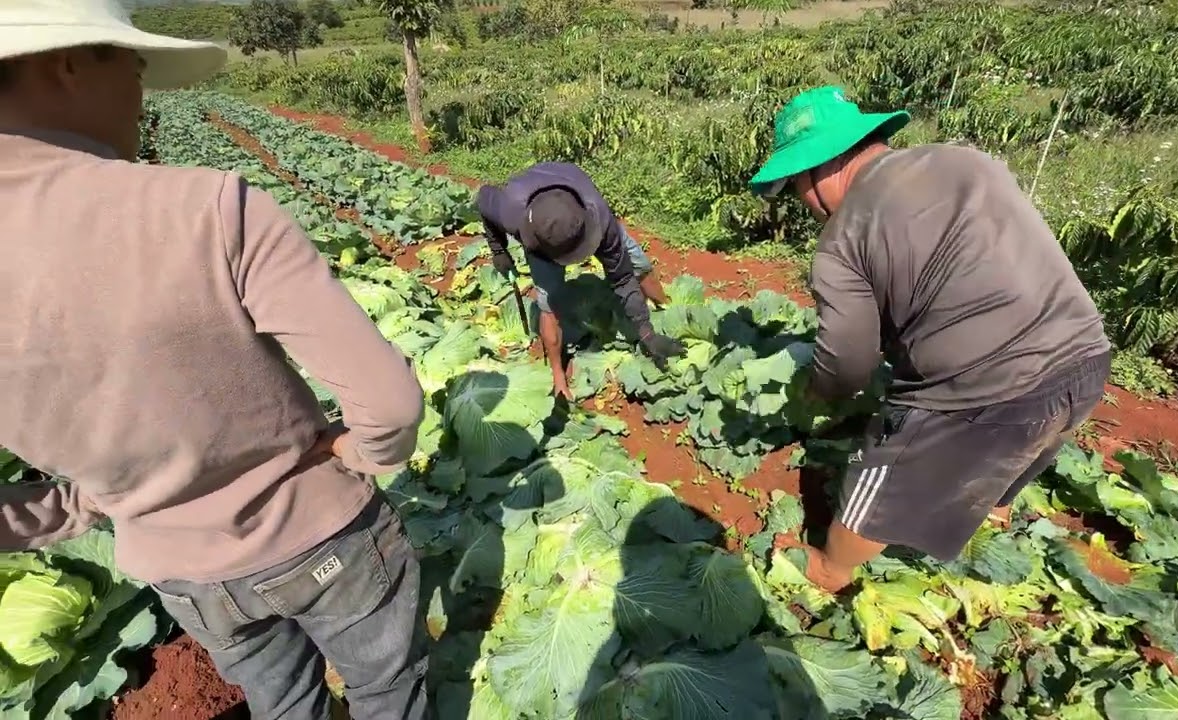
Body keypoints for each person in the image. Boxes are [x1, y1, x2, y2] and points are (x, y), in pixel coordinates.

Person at [0, 3, 430, 718]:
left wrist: (82, 508)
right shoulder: (205, 206)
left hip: (183, 577)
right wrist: (360, 453)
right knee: (388, 693)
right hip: (322, 537)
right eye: (133, 68)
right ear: (67, 63)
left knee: (286, 707)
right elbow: (390, 403)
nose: (142, 97)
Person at [750, 86, 1112, 594]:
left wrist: (821, 394)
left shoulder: (843, 236)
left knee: (878, 475)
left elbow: (849, 362)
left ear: (817, 169)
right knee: (1028, 436)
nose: (800, 203)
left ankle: (831, 570)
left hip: (986, 391)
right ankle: (993, 509)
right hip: (1086, 358)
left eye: (793, 188)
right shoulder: (964, 160)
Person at [477, 162, 686, 399]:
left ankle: (668, 307)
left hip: (577, 199)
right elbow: (483, 198)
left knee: (638, 263)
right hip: (540, 234)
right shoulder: (510, 211)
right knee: (549, 302)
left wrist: (646, 332)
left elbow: (623, 279)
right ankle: (558, 376)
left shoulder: (598, 216)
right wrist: (498, 250)